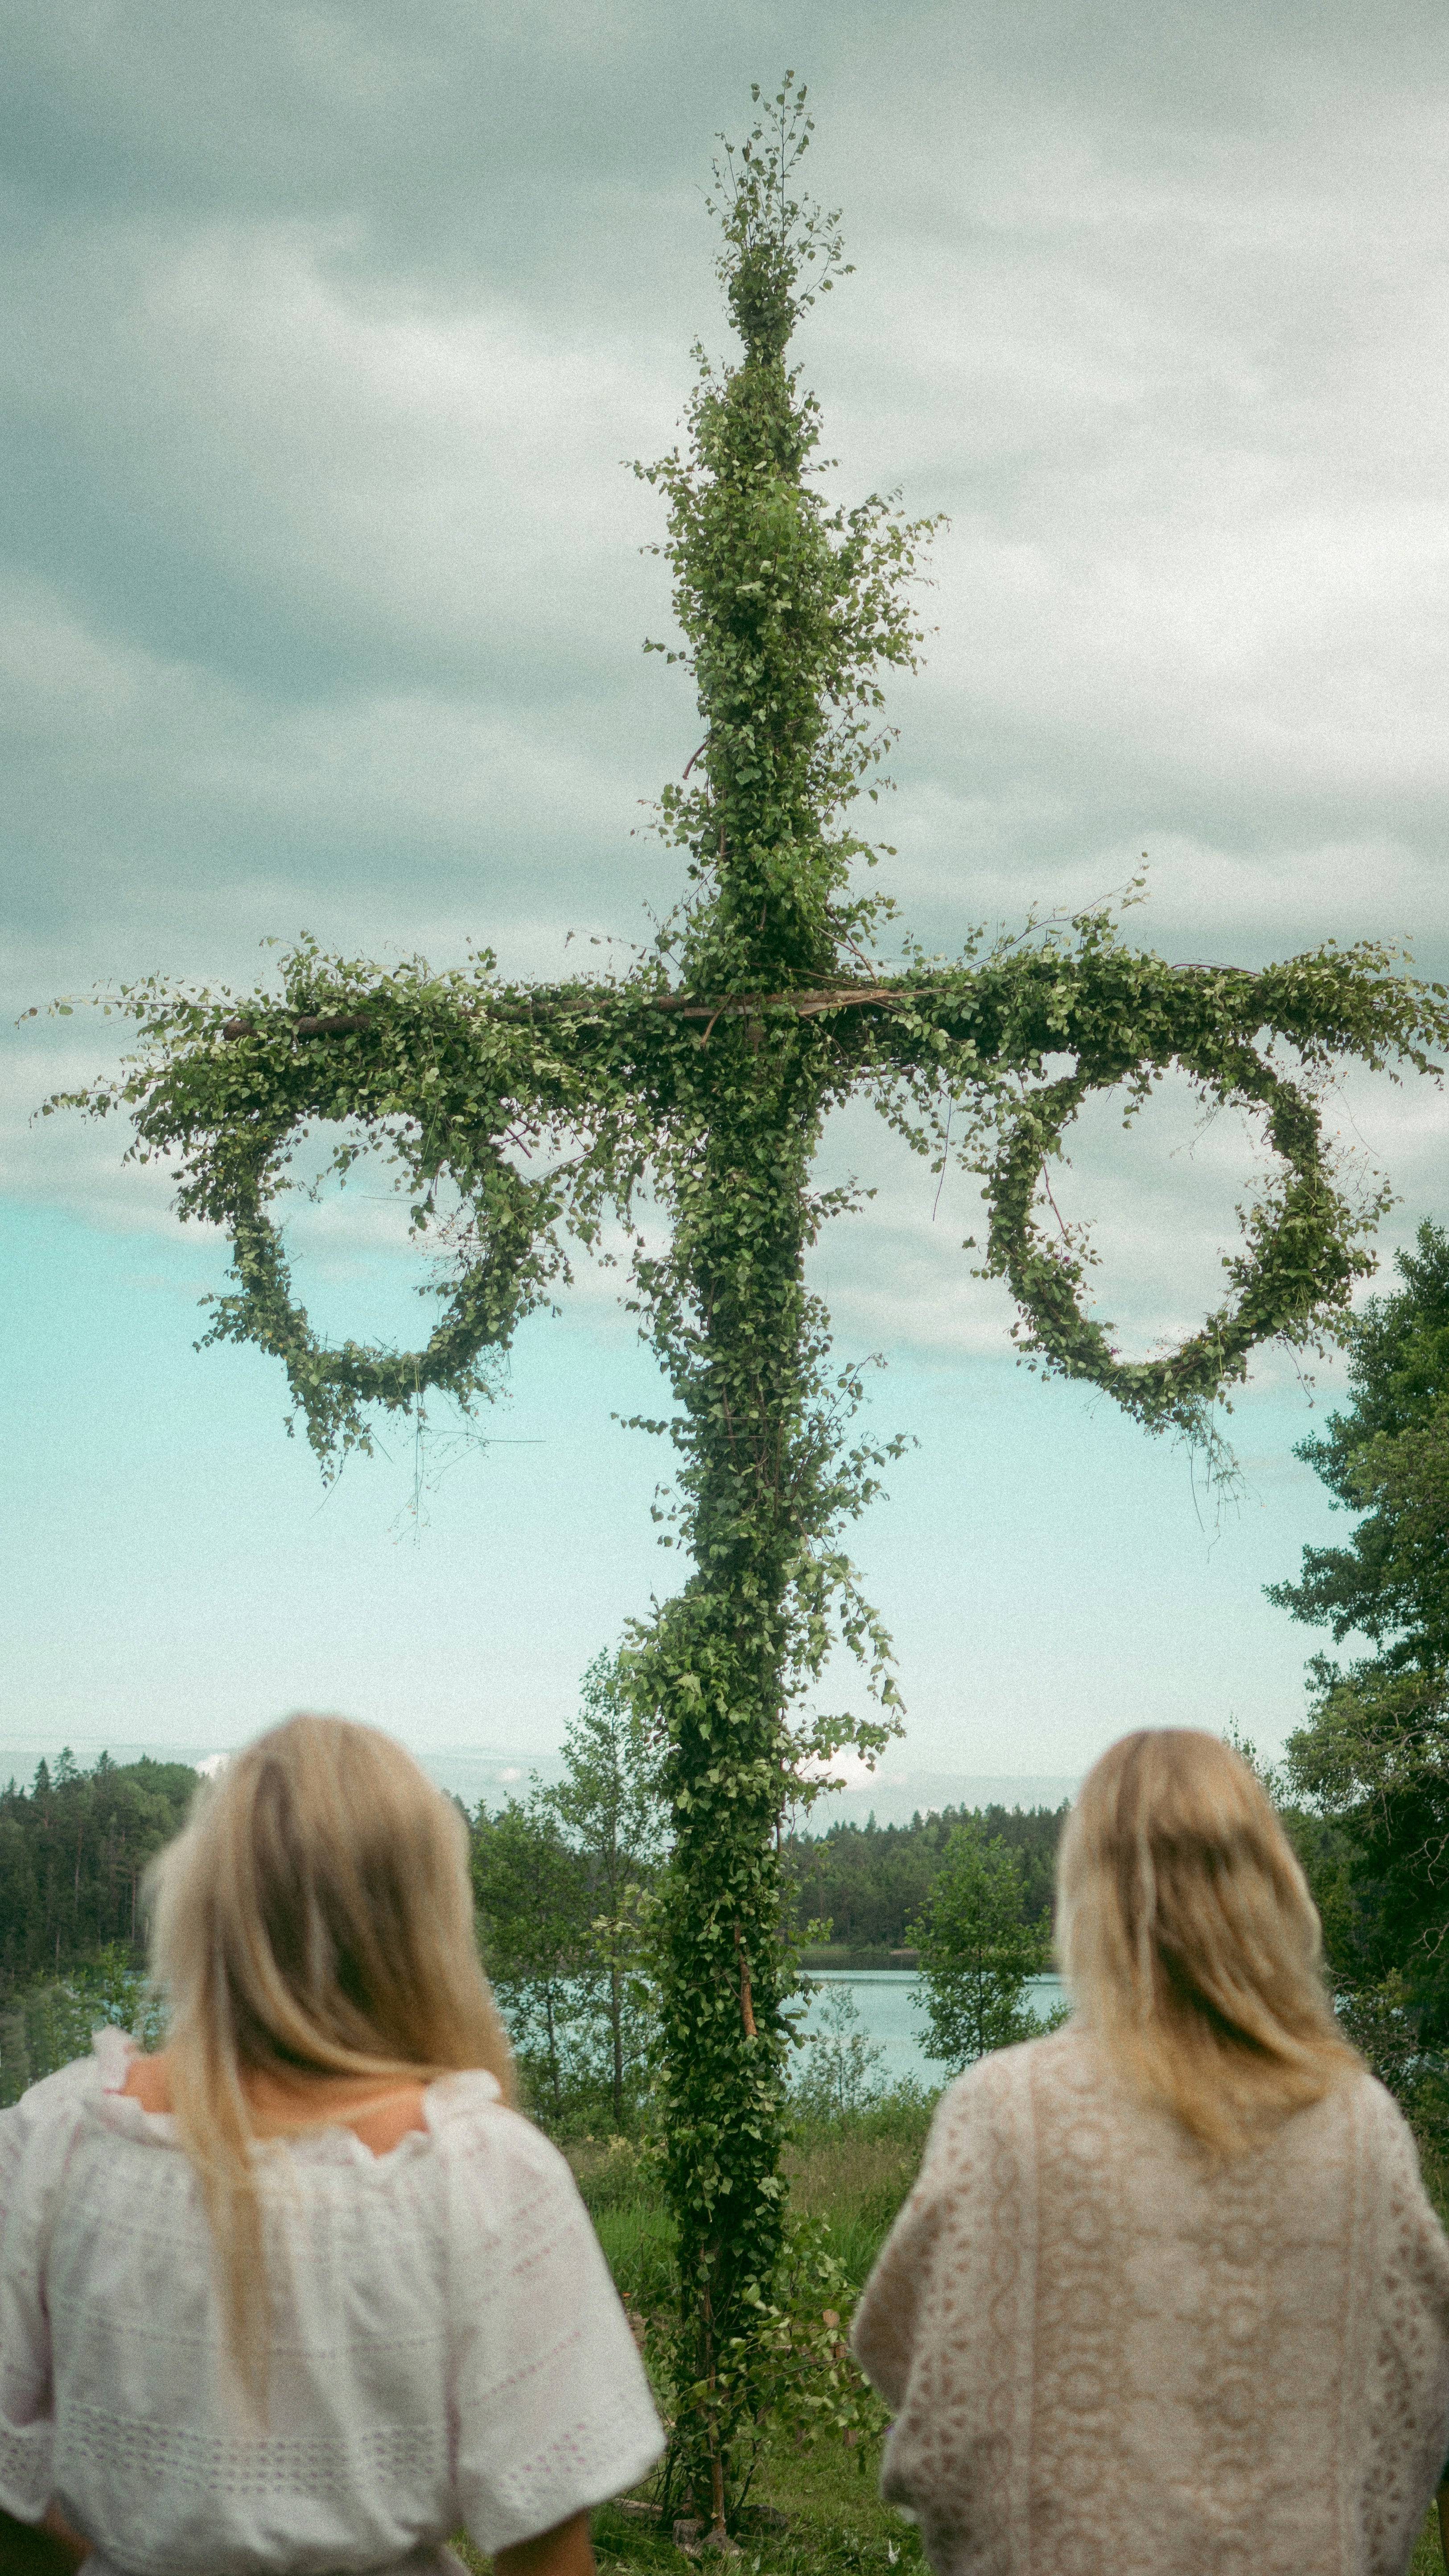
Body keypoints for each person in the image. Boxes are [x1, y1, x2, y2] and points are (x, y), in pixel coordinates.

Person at [0, 1715, 664, 2576]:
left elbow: (11, 2510)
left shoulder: (57, 2141)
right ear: (422, 1913)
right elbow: (546, 2555)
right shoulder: (482, 2173)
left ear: (208, 1899)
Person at [852, 1728, 1449, 2576]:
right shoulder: (1359, 2125)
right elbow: (1417, 2403)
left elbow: (925, 2384)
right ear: (1267, 1884)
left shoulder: (1002, 2112)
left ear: (1086, 1892)